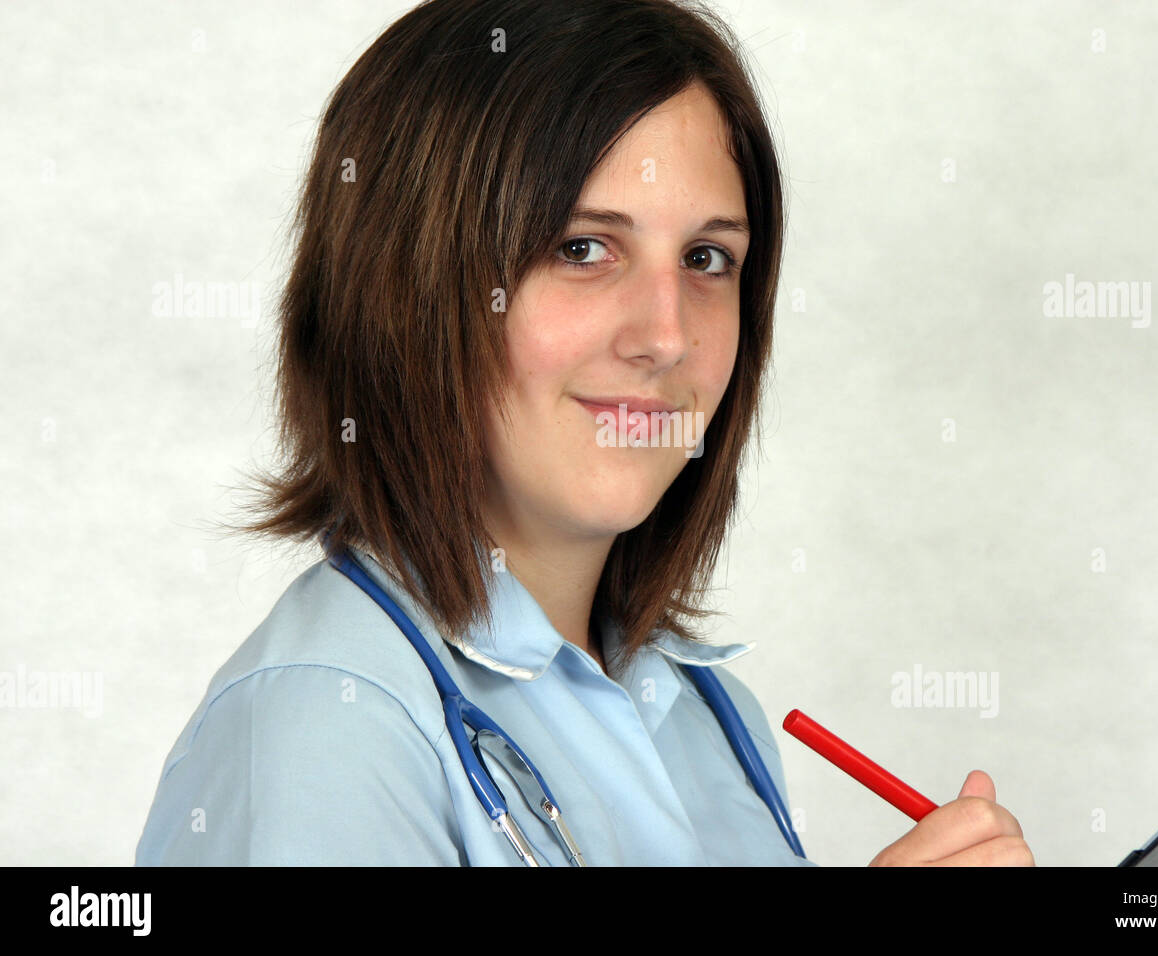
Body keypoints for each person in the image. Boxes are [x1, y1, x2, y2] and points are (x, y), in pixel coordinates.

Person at [135, 0, 1033, 867]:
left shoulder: (706, 715)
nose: (668, 335)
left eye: (707, 258)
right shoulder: (324, 723)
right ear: (404, 288)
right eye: (583, 249)